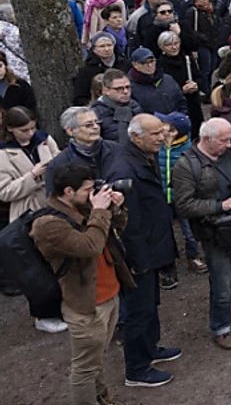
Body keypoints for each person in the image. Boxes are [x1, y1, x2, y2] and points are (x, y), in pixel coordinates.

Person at [32, 163, 133, 405]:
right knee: (85, 368)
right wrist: (99, 210)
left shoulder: (81, 206)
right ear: (68, 191)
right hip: (86, 305)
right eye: (87, 189)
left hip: (108, 293)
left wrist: (115, 209)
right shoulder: (47, 224)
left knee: (98, 359)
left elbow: (114, 230)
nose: (92, 193)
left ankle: (103, 399)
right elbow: (90, 246)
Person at [172, 118, 231, 350]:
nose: (229, 144)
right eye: (223, 140)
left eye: (230, 139)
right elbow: (184, 206)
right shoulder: (186, 166)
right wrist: (220, 205)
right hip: (215, 230)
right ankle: (221, 328)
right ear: (206, 139)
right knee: (222, 282)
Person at [103, 114, 180, 387]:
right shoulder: (124, 170)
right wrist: (138, 260)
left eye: (162, 132)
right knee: (138, 311)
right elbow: (127, 223)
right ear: (136, 137)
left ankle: (151, 349)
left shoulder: (144, 157)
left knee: (150, 305)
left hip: (153, 247)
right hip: (139, 254)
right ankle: (136, 370)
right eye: (155, 134)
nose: (162, 137)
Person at [0, 106, 64, 331]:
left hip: (53, 206)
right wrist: (33, 176)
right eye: (24, 130)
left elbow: (60, 162)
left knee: (60, 259)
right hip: (26, 214)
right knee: (35, 268)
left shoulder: (45, 140)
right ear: (10, 129)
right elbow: (5, 192)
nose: (30, 133)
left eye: (32, 127)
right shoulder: (3, 154)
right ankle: (44, 316)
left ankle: (64, 305)